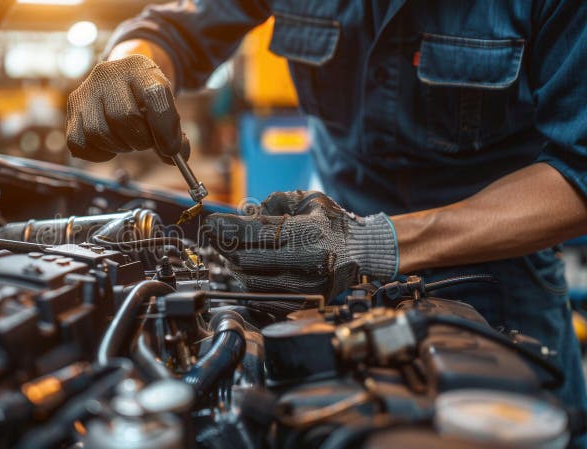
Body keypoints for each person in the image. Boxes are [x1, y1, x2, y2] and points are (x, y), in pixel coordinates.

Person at [65, 0, 587, 435]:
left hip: (499, 285)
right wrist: (129, 59)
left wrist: (367, 244)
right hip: (323, 275)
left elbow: (578, 173)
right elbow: (174, 27)